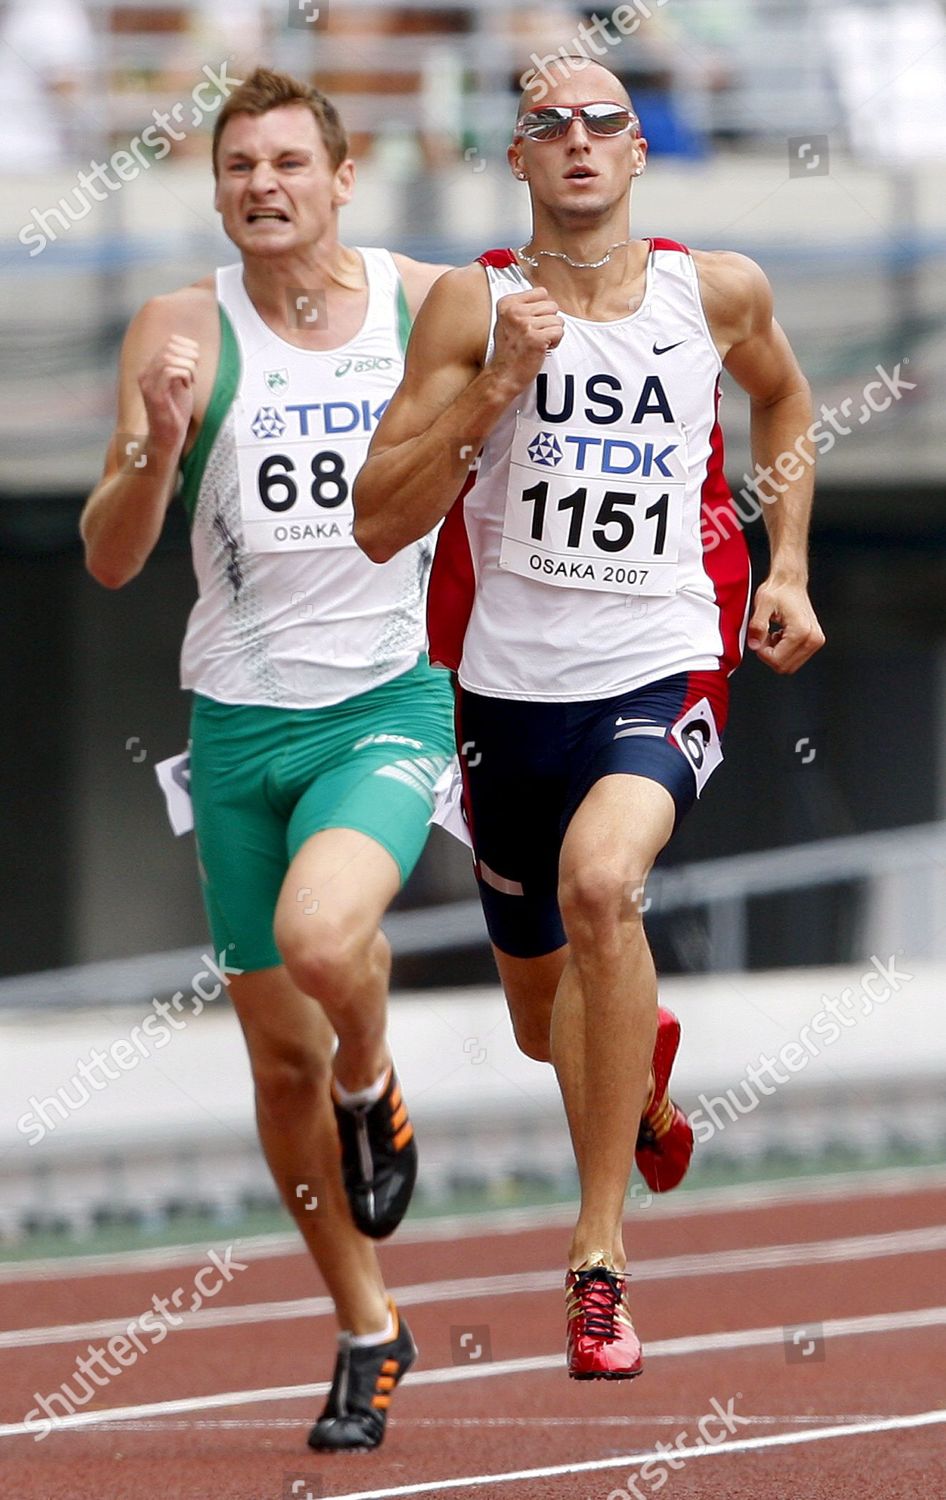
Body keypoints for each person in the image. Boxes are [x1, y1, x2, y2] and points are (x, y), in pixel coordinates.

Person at [353, 57, 825, 1380]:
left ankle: (597, 1261)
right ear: (514, 160)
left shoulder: (714, 291)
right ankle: (643, 1083)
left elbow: (784, 401)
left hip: (661, 657)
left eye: (601, 122)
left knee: (600, 887)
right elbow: (380, 516)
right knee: (536, 1014)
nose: (575, 141)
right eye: (545, 125)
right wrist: (496, 384)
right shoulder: (470, 301)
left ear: (636, 154)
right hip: (509, 689)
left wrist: (783, 564)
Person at [79, 66, 458, 1452]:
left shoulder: (425, 302)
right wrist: (157, 444)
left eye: (289, 161)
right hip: (236, 724)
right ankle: (370, 1327)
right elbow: (115, 557)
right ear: (219, 185)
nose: (263, 185)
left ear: (341, 176)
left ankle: (377, 1078)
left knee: (321, 939)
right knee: (275, 1068)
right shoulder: (179, 327)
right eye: (240, 165)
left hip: (386, 700)